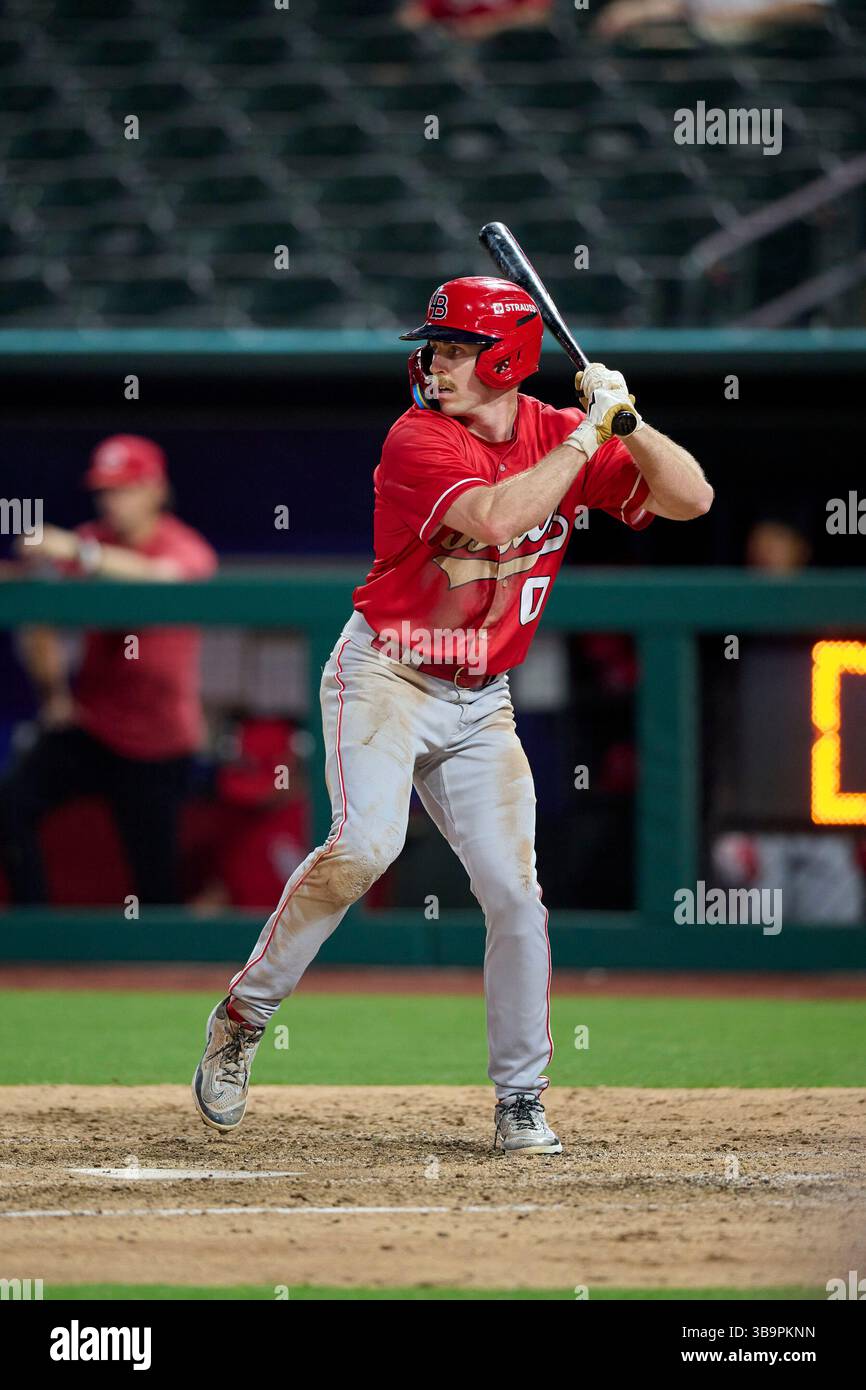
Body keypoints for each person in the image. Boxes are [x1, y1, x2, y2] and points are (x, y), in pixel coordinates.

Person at [193, 277, 712, 1153]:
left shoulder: (558, 431)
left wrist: (627, 422)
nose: (434, 363)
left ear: (507, 357)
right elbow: (501, 517)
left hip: (483, 702)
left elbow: (691, 498)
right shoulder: (416, 438)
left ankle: (521, 1098)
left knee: (515, 896)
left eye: (457, 349)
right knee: (365, 847)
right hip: (386, 676)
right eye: (433, 347)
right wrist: (590, 434)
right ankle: (244, 1016)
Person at [0, 434, 217, 905]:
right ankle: (36, 943)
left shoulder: (180, 545)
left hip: (158, 743)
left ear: (156, 488)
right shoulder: (90, 540)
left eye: (125, 488)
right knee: (10, 808)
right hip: (91, 728)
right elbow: (35, 607)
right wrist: (53, 693)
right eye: (105, 490)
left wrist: (79, 554)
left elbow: (168, 578)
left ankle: (162, 973)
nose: (112, 501)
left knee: (156, 885)